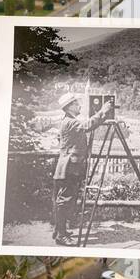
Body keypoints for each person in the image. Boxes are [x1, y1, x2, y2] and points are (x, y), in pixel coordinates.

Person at [50, 93, 111, 243]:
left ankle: (59, 231)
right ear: (69, 106)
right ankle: (61, 236)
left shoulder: (68, 121)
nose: (80, 106)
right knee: (64, 201)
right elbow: (87, 126)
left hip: (69, 167)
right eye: (77, 104)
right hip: (68, 168)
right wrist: (103, 111)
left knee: (64, 200)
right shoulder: (70, 122)